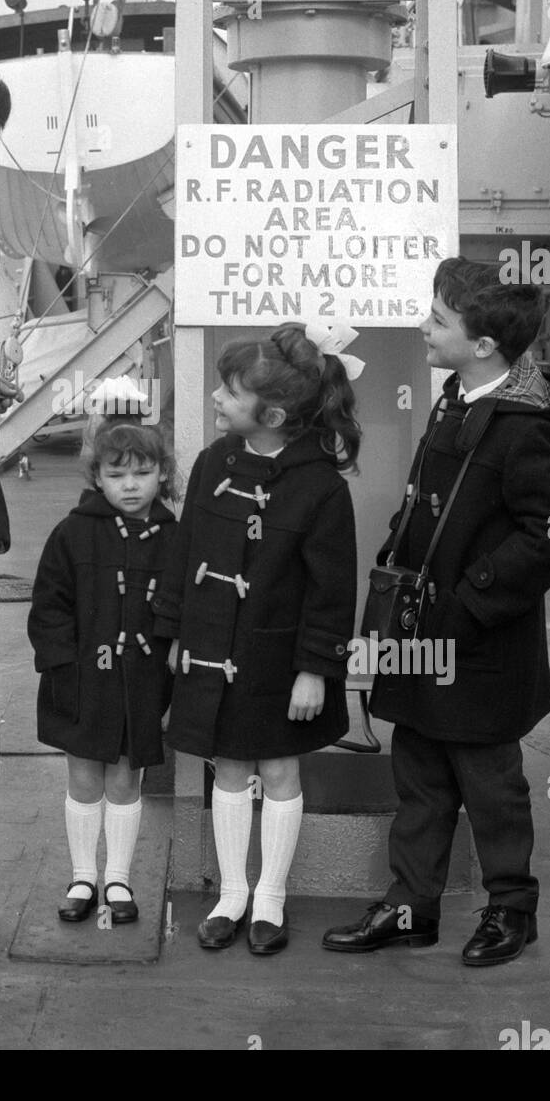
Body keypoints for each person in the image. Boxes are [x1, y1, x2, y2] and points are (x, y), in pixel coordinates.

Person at [322, 258, 550, 966]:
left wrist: (470, 602)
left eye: (437, 320)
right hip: (420, 635)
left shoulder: (522, 425)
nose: (422, 327)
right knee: (418, 772)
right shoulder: (453, 397)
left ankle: (510, 911)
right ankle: (412, 907)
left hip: (477, 643)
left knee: (489, 782)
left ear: (483, 347)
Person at [152, 323, 362, 956]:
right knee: (229, 764)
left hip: (278, 656)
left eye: (229, 391)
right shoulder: (214, 462)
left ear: (270, 414)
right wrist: (173, 630)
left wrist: (315, 670)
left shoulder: (321, 486)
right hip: (212, 645)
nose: (216, 397)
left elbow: (333, 589)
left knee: (277, 767)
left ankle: (270, 898)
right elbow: (185, 550)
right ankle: (232, 895)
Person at [27, 416, 179, 925]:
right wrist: (61, 668)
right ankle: (82, 877)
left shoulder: (174, 538)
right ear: (97, 477)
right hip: (81, 683)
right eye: (117, 475)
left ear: (163, 473)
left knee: (124, 778)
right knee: (84, 777)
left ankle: (118, 877)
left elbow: (180, 607)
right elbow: (49, 605)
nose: (131, 485)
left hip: (141, 682)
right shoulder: (72, 533)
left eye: (143, 472)